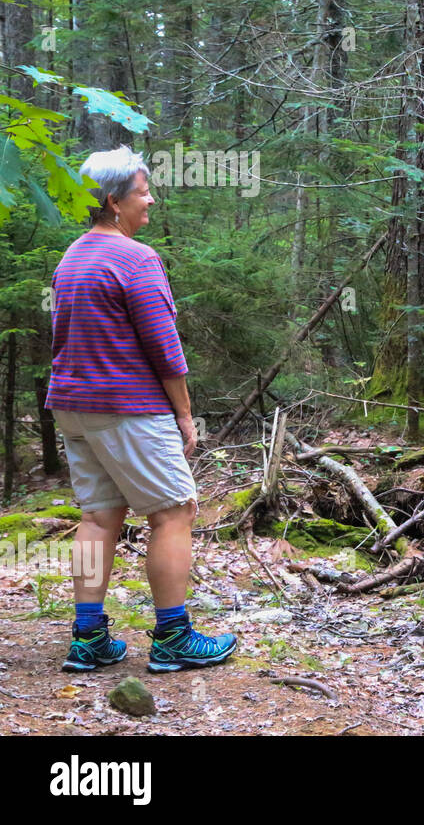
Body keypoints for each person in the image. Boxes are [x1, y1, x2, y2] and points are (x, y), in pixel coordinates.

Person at [47, 145, 236, 673]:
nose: (150, 199)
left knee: (98, 517)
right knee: (174, 511)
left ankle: (88, 640)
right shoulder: (137, 258)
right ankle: (174, 637)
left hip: (73, 405)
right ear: (113, 200)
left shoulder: (72, 256)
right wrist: (183, 412)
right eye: (142, 191)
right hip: (127, 407)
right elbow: (164, 347)